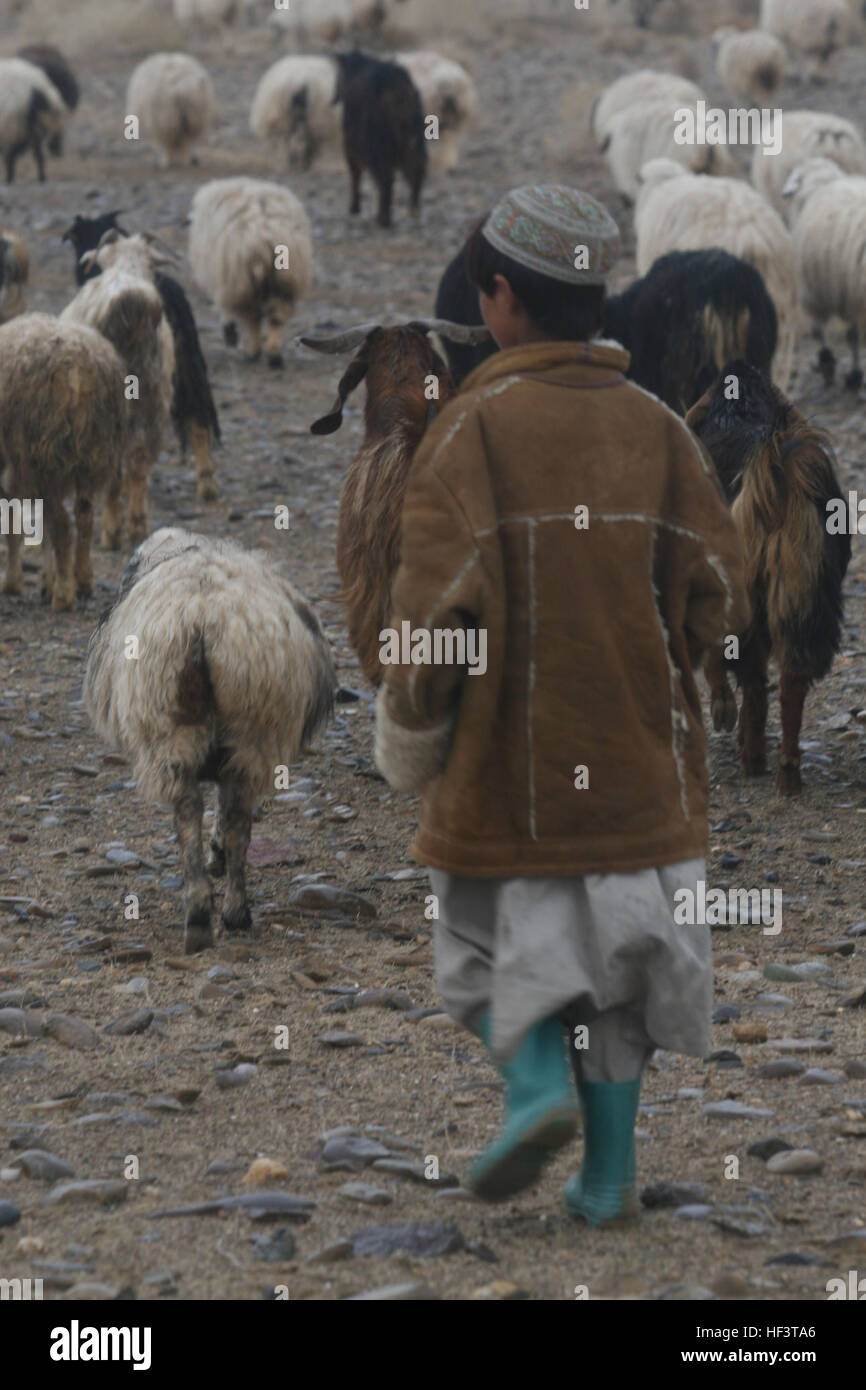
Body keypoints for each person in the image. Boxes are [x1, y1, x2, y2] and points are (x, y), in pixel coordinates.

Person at [374, 185, 749, 1222]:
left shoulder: (468, 436)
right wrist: (665, 655)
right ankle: (606, 1176)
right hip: (639, 770)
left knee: (497, 942)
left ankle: (534, 1085)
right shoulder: (659, 432)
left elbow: (431, 610)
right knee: (618, 977)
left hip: (508, 773)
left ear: (497, 299)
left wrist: (413, 713)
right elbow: (718, 588)